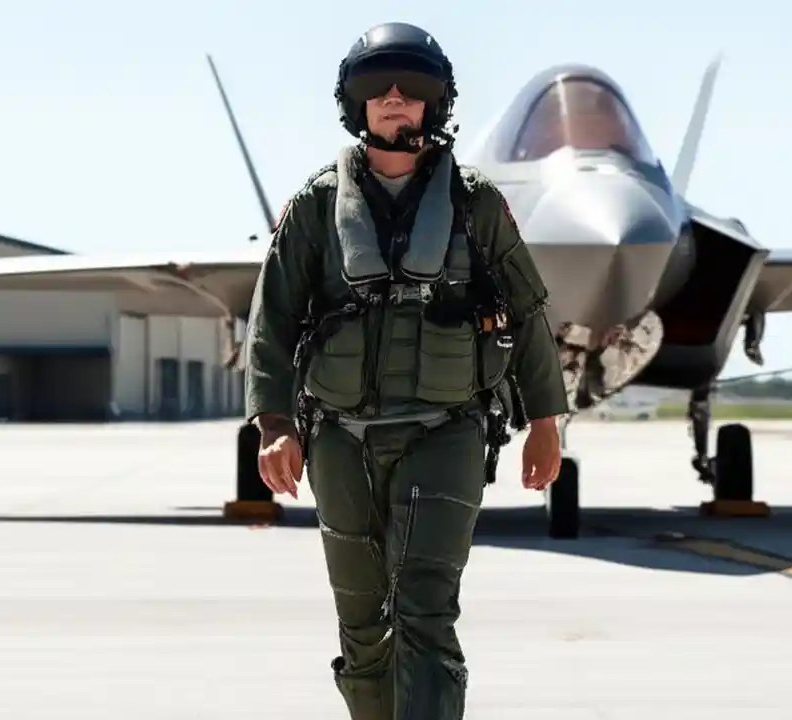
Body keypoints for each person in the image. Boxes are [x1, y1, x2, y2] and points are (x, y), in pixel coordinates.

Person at [242, 21, 569, 720]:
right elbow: (272, 321)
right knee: (363, 632)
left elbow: (528, 311)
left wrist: (546, 422)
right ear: (353, 105)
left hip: (444, 433)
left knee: (425, 613)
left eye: (412, 88)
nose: (394, 99)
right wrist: (274, 425)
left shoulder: (476, 206)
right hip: (338, 438)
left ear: (434, 104)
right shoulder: (315, 208)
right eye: (376, 88)